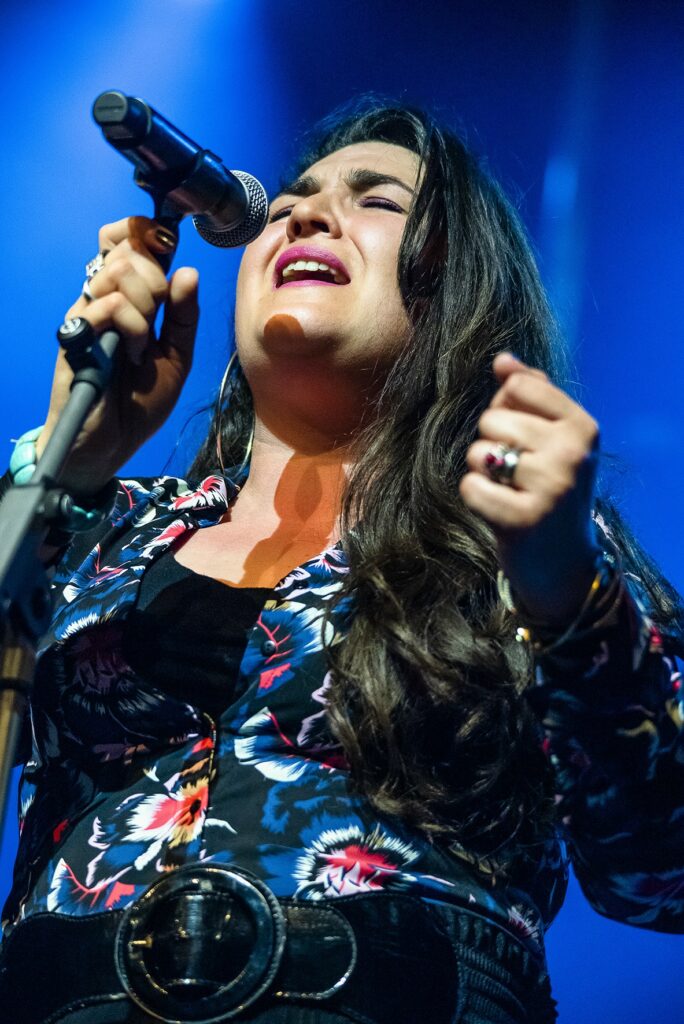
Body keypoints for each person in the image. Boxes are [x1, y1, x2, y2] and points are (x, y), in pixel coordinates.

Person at [0, 101, 682, 1024]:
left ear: (454, 284)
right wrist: (66, 471)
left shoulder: (529, 541)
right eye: (287, 205)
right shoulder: (103, 523)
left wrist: (568, 595)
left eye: (377, 201)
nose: (307, 215)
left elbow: (662, 877)